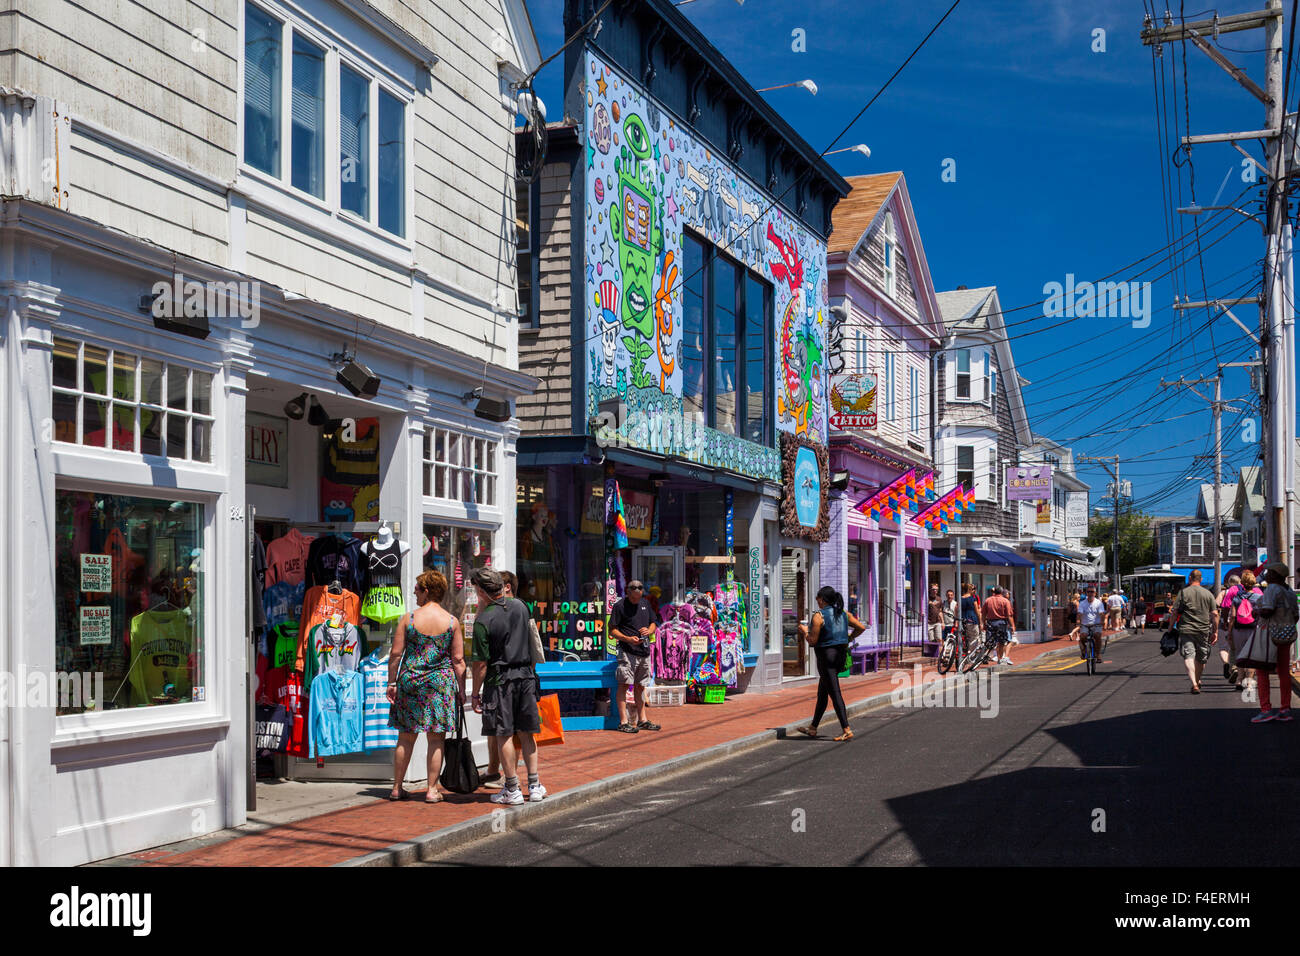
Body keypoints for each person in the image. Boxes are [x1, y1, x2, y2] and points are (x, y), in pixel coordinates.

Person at [468, 567, 545, 805]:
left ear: (481, 591)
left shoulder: (483, 620)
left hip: (500, 680)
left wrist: (474, 693)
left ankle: (511, 787)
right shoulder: (521, 606)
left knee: (503, 734)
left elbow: (480, 664)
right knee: (527, 732)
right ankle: (534, 785)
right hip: (525, 676)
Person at [387, 570, 465, 804]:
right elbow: (458, 660)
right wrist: (462, 689)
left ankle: (397, 787)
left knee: (406, 738)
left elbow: (396, 654)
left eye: (418, 588)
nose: (414, 592)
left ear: (427, 591)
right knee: (436, 739)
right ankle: (432, 790)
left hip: (410, 682)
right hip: (439, 686)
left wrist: (392, 682)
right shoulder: (451, 622)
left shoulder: (409, 619)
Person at [795, 586, 865, 741]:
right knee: (823, 692)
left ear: (822, 599)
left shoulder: (819, 616)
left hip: (826, 659)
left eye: (818, 599)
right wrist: (849, 638)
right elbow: (861, 627)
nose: (817, 602)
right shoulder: (844, 614)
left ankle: (846, 729)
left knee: (835, 693)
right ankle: (813, 728)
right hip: (840, 657)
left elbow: (812, 641)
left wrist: (804, 630)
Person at [1249, 562, 1297, 722]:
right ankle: (1285, 708)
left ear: (1276, 575)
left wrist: (1257, 611)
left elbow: (1268, 610)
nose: (1266, 574)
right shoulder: (1289, 591)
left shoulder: (1272, 589)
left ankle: (1266, 709)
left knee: (1262, 670)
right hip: (1287, 634)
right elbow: (1296, 615)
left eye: (1269, 572)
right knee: (1283, 672)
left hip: (1269, 634)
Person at [609, 579, 659, 734]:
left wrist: (649, 631)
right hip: (627, 651)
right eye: (633, 588)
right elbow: (612, 630)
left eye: (640, 587)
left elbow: (653, 623)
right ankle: (623, 722)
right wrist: (627, 639)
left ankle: (642, 720)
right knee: (624, 684)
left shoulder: (645, 604)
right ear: (628, 591)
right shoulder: (620, 606)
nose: (637, 590)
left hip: (643, 651)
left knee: (641, 685)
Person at [1170, 570, 1219, 694]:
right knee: (1201, 658)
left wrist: (1170, 627)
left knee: (1188, 656)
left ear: (1190, 578)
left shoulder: (1183, 593)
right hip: (1203, 630)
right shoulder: (1208, 594)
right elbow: (1215, 614)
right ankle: (1197, 681)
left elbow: (1174, 611)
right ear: (1201, 579)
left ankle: (1194, 683)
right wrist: (1215, 631)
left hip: (1186, 629)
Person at [1217, 572, 1245, 687]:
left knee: (1223, 648)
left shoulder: (1224, 592)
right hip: (1240, 624)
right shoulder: (1244, 592)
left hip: (1225, 623)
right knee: (1238, 649)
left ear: (1229, 583)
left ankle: (1227, 663)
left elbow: (1217, 604)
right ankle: (1240, 674)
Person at [982, 585, 1016, 665]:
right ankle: (1000, 659)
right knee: (1001, 642)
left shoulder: (988, 600)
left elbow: (983, 613)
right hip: (1001, 623)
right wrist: (1012, 626)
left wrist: (983, 623)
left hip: (990, 622)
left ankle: (985, 656)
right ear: (1001, 592)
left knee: (989, 641)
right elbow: (1009, 615)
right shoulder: (1005, 601)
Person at [1077, 585, 1105, 662]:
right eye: (1088, 592)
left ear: (1095, 593)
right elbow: (1080, 613)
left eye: (1092, 592)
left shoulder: (1099, 603)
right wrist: (1078, 621)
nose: (1090, 593)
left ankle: (1098, 654)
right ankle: (1083, 651)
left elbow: (1102, 613)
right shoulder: (1082, 603)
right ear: (1086, 593)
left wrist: (1102, 621)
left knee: (1097, 635)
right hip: (1085, 624)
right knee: (1082, 636)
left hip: (1096, 624)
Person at [960, 582, 982, 655]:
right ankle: (970, 654)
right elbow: (977, 612)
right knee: (974, 638)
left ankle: (967, 652)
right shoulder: (972, 599)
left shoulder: (960, 599)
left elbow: (957, 609)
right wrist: (980, 622)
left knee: (967, 638)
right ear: (969, 590)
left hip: (963, 620)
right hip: (972, 620)